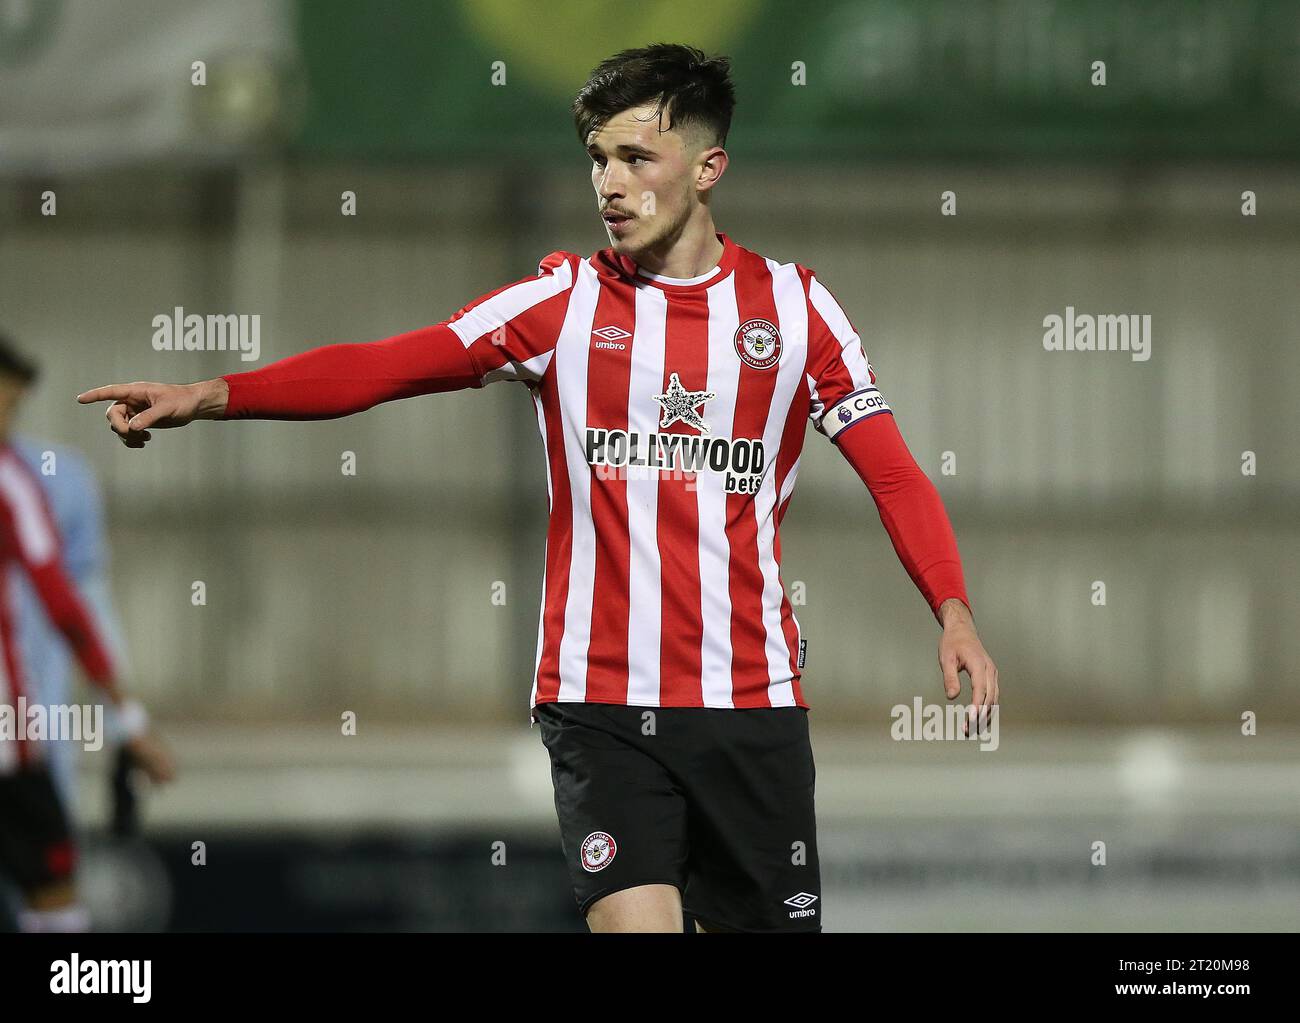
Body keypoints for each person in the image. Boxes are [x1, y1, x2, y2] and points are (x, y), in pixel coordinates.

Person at [77, 43, 998, 933]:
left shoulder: (797, 311)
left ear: (709, 166)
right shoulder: (563, 304)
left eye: (638, 156)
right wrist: (208, 394)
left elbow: (892, 470)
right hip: (599, 703)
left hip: (750, 703)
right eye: (598, 158)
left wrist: (950, 608)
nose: (610, 183)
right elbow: (390, 365)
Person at [0, 334, 174, 932]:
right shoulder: (17, 483)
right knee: (54, 903)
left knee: (50, 895)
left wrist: (123, 720)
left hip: (27, 739)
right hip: (16, 743)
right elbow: (69, 609)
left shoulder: (48, 480)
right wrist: (129, 721)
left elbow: (78, 604)